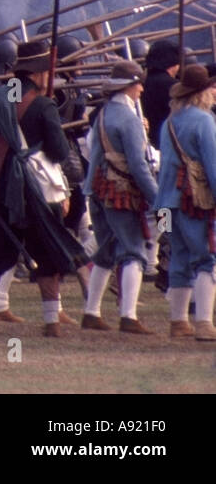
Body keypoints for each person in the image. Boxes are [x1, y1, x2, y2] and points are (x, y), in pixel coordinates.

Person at [0, 40, 87, 337]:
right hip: (37, 193)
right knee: (47, 253)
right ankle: (51, 323)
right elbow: (59, 151)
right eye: (47, 70)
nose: (50, 76)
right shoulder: (43, 105)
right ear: (36, 73)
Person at [81, 61, 158, 334]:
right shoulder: (129, 119)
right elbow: (139, 166)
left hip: (99, 190)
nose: (141, 89)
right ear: (128, 86)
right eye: (138, 84)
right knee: (134, 252)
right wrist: (157, 199)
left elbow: (94, 155)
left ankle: (91, 312)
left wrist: (89, 188)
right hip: (121, 192)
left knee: (106, 251)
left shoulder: (103, 114)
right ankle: (129, 316)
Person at [155, 64, 216, 340]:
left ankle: (178, 321)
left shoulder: (168, 122)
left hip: (166, 203)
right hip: (194, 201)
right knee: (207, 258)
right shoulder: (204, 121)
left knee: (178, 258)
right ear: (202, 93)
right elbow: (212, 165)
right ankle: (204, 322)